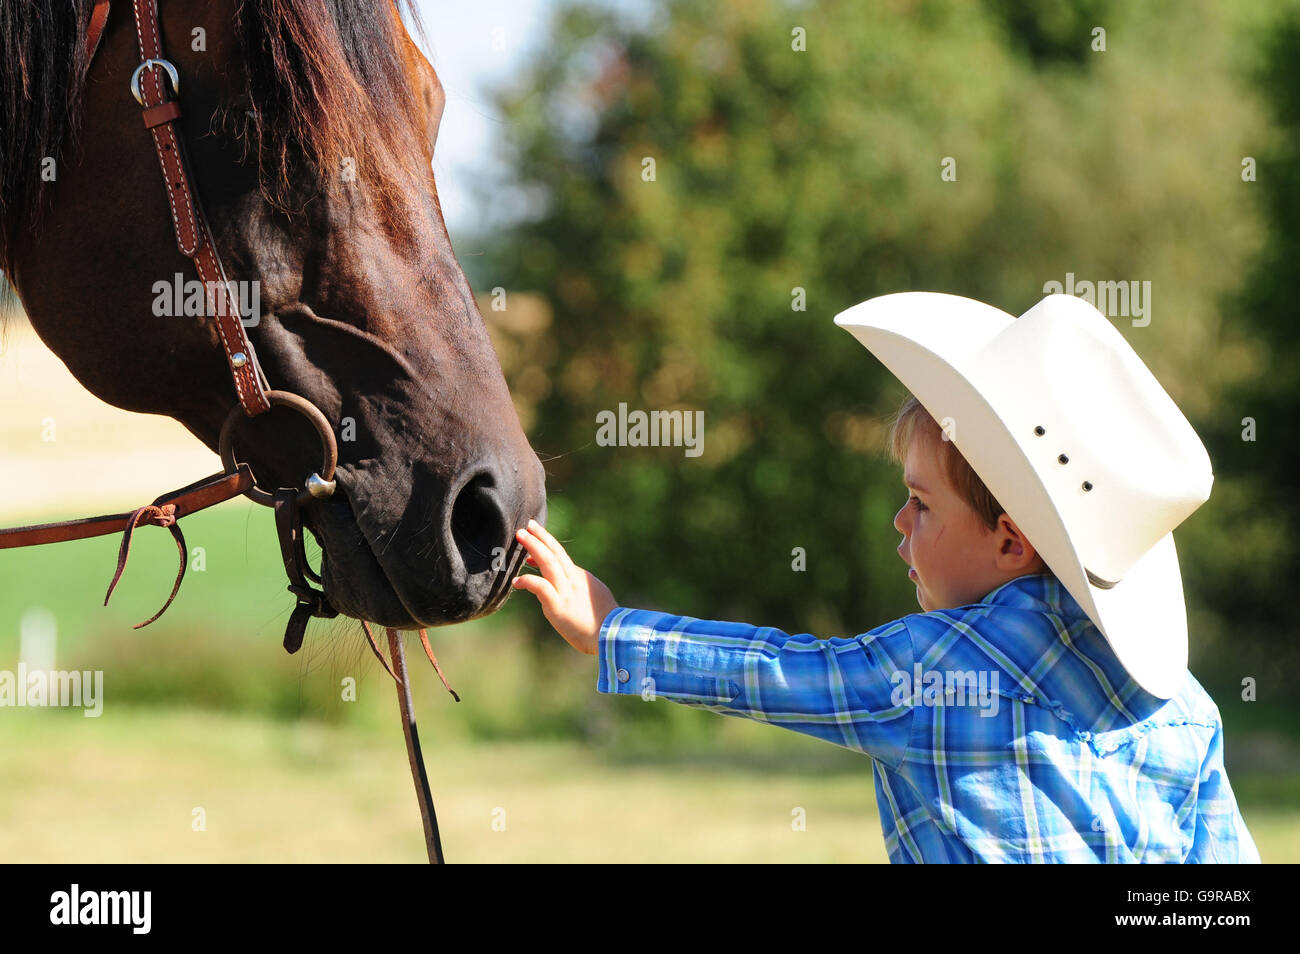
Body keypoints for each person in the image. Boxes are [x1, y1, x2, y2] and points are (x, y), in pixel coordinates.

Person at [511, 291, 1261, 863]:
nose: (899, 524)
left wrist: (614, 631)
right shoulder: (1183, 711)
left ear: (1011, 544)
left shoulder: (933, 668)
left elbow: (774, 672)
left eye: (920, 503)